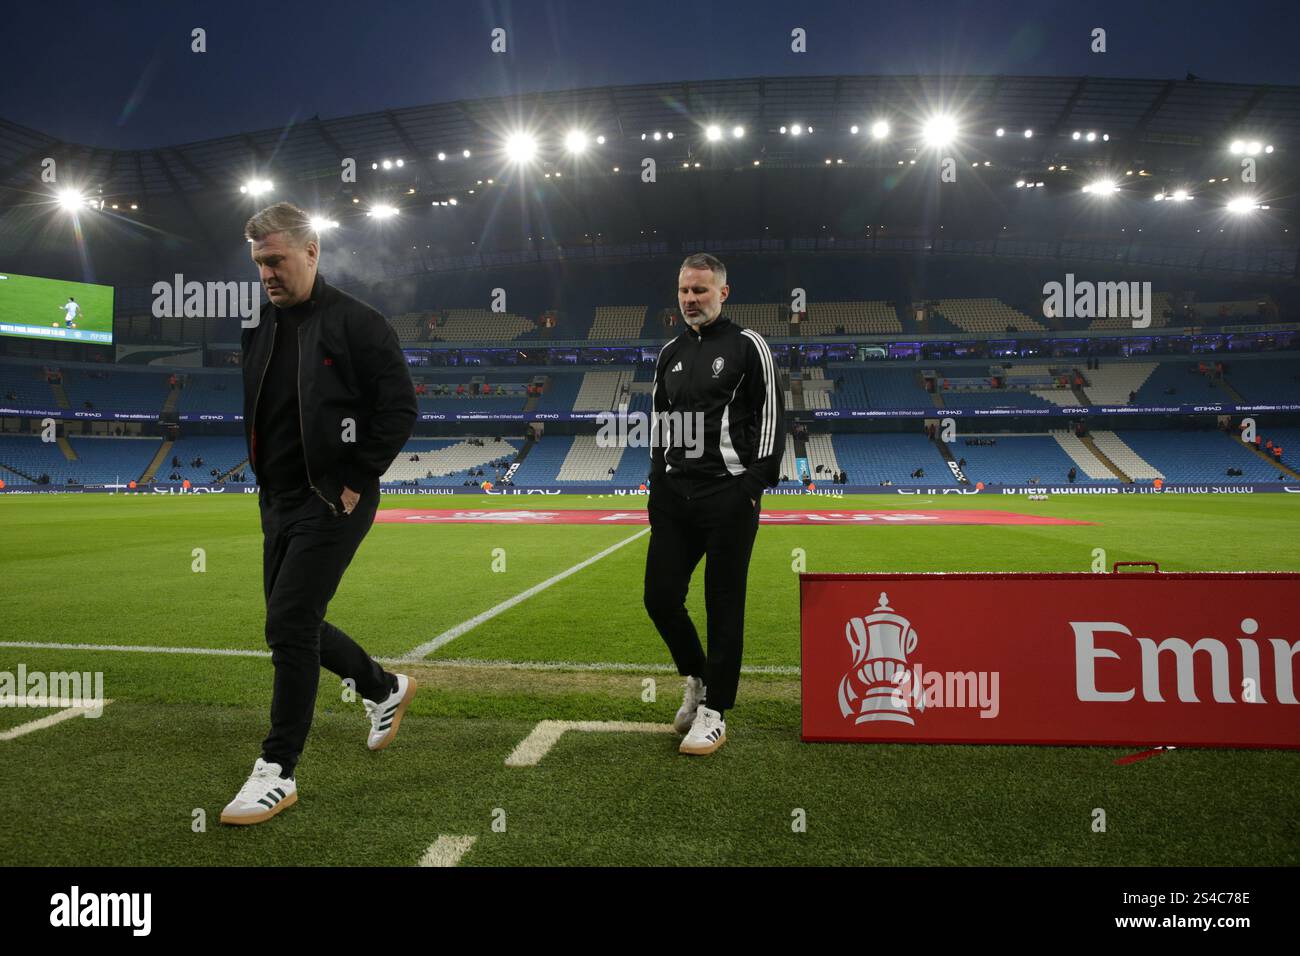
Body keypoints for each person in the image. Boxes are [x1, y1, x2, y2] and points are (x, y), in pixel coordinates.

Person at [223, 202, 418, 826]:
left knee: (287, 623)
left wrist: (358, 476)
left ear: (312, 252)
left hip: (334, 496)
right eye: (259, 265)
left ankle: (277, 770)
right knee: (292, 623)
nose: (268, 275)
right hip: (276, 499)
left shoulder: (359, 324)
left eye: (276, 261)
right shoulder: (260, 328)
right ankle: (383, 687)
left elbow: (399, 409)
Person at [644, 252, 785, 756]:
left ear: (723, 293)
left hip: (727, 497)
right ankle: (699, 678)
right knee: (659, 598)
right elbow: (661, 422)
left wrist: (751, 487)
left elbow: (771, 419)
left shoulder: (750, 346)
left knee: (724, 606)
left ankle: (715, 711)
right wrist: (656, 482)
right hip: (674, 498)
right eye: (684, 291)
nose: (690, 300)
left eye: (700, 291)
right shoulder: (669, 353)